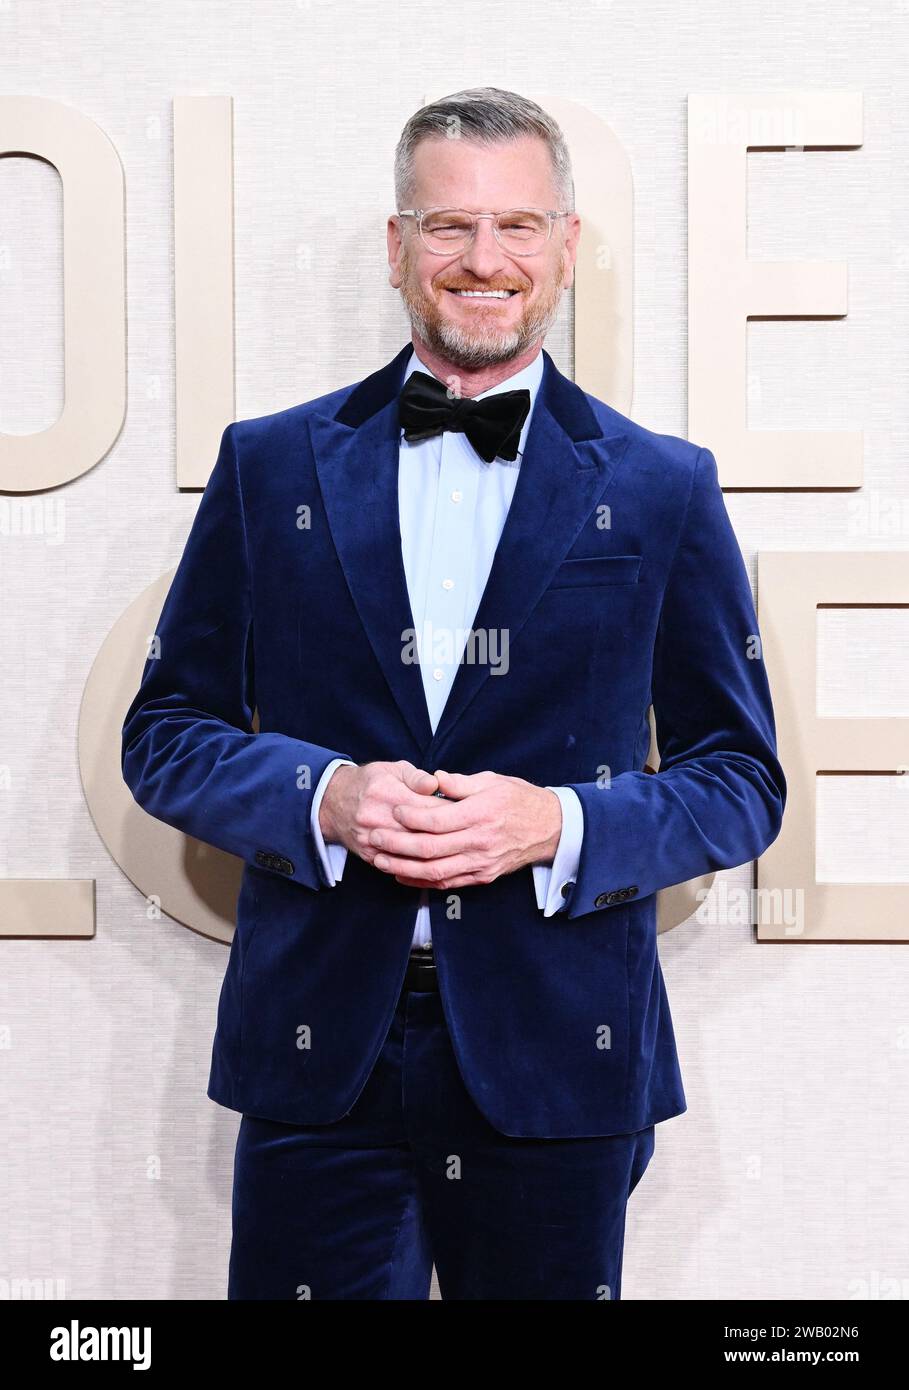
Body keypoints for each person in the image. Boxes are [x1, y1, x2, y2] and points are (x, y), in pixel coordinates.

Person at [121, 86, 786, 1300]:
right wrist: (323, 795)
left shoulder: (660, 486)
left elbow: (741, 782)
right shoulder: (268, 466)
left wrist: (561, 822)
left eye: (520, 227)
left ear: (567, 248)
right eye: (449, 227)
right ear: (397, 247)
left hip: (558, 1051)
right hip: (321, 1046)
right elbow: (166, 734)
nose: (486, 261)